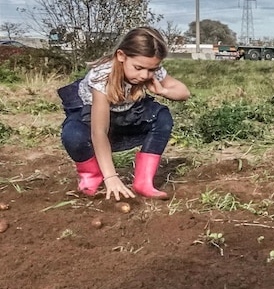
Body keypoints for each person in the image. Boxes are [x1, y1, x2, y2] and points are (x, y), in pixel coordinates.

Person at [58, 27, 190, 200]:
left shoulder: (149, 68)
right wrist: (111, 177)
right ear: (121, 56)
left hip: (128, 113)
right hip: (90, 116)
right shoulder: (102, 77)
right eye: (138, 68)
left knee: (162, 117)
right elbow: (99, 131)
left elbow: (184, 92)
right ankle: (92, 177)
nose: (144, 75)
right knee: (73, 135)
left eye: (151, 69)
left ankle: (144, 182)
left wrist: (163, 91)